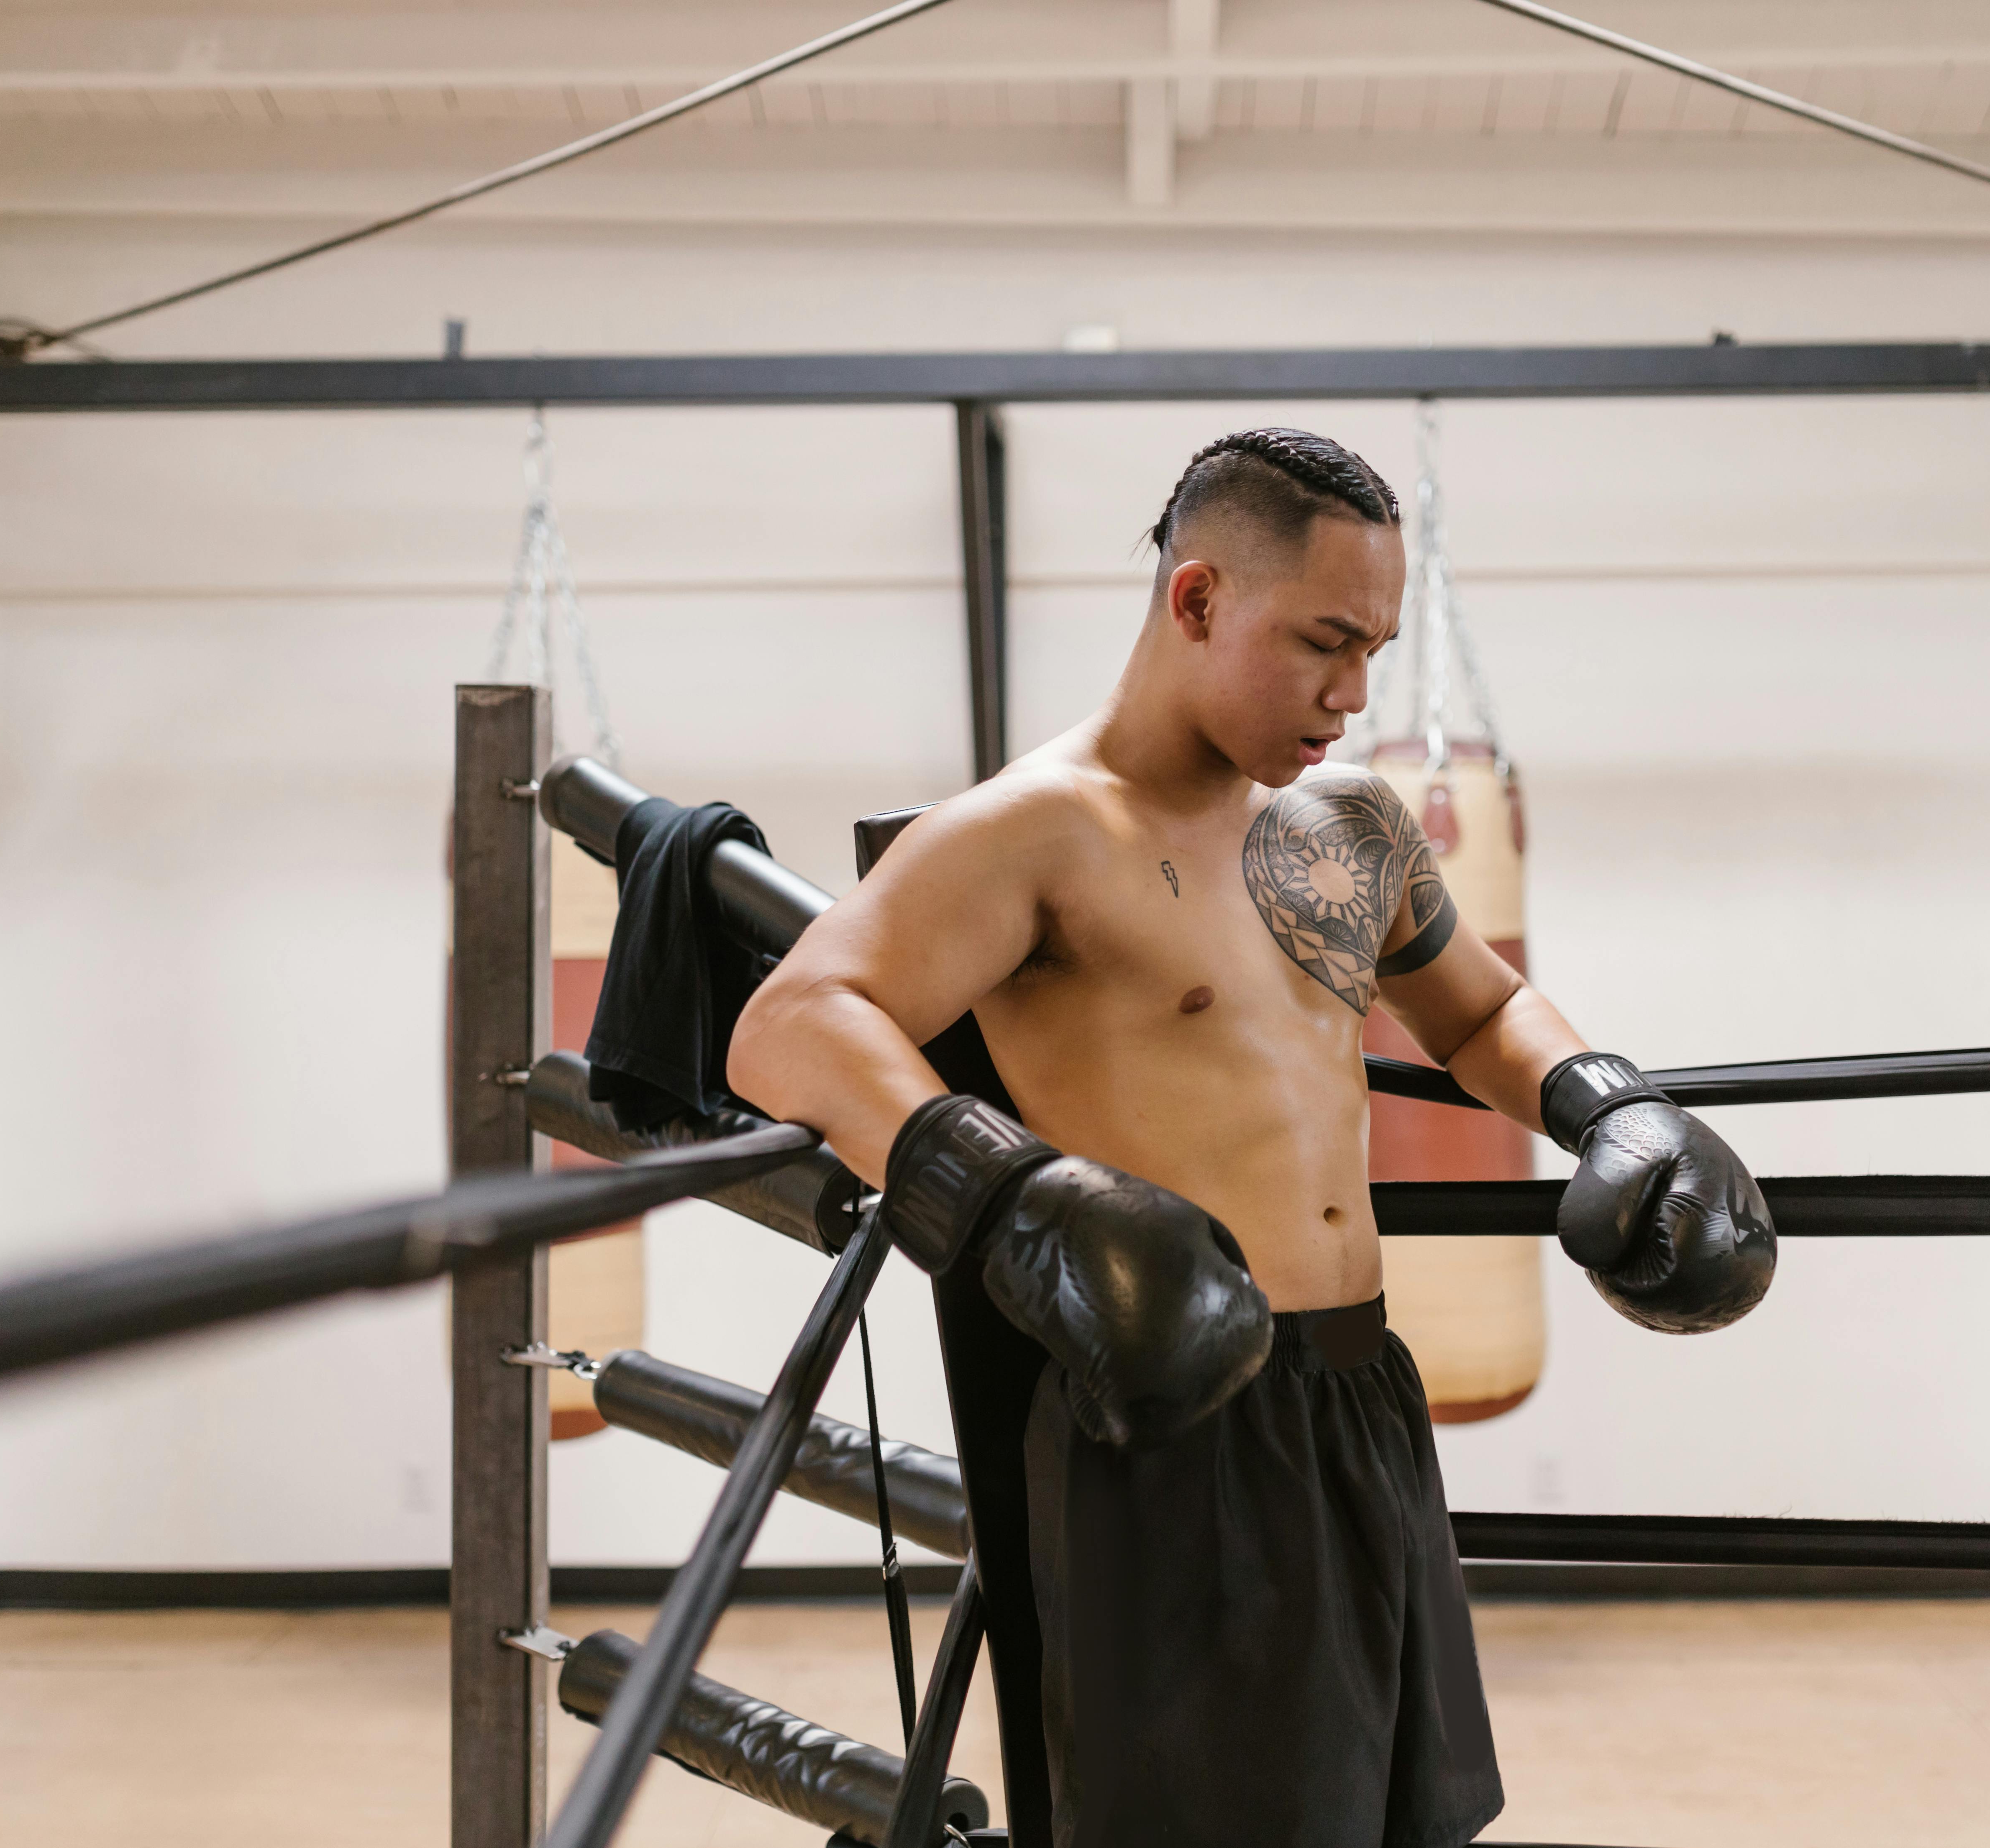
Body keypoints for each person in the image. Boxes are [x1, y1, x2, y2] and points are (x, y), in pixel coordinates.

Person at [727, 427, 1774, 1848]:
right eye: (1323, 644)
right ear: (1200, 600)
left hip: (1359, 1401)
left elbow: (1485, 1013)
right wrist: (1013, 1200)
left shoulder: (1348, 827)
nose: (1352, 695)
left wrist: (1610, 1105)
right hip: (1177, 1419)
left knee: (1400, 1823)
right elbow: (792, 1021)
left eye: (1376, 651)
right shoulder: (1038, 830)